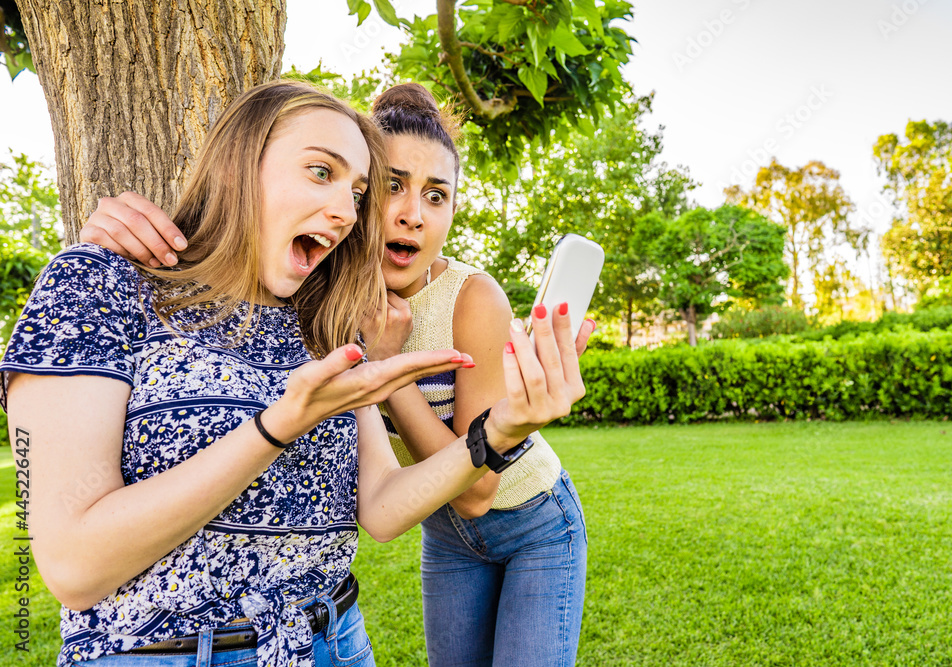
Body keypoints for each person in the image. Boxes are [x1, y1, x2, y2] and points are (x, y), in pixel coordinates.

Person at [3, 79, 588, 667]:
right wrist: (278, 425)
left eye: (358, 192)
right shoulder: (101, 283)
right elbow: (73, 567)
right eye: (321, 172)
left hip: (338, 638)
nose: (345, 212)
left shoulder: (323, 315)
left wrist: (504, 430)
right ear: (237, 166)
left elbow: (382, 503)